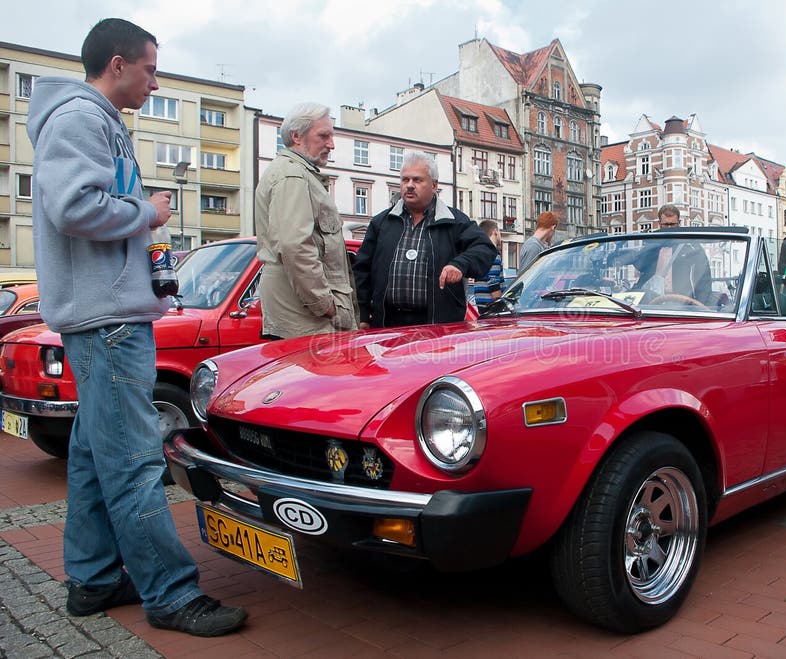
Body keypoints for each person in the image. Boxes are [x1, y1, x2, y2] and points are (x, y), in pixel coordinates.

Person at [25, 18, 247, 637]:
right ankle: (171, 594)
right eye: (150, 69)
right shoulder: (81, 119)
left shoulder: (94, 121)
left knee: (96, 455)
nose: (155, 80)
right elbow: (73, 208)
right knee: (133, 459)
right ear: (117, 64)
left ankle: (93, 580)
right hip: (108, 319)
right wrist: (145, 212)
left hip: (105, 312)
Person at [353, 150, 497, 328]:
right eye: (405, 180)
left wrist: (460, 264)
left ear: (434, 185)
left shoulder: (454, 221)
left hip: (438, 326)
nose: (410, 185)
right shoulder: (382, 223)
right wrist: (363, 315)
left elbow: (485, 248)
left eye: (417, 180)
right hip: (386, 325)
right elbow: (362, 270)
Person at [255, 102, 358, 339]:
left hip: (302, 316)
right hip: (307, 321)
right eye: (323, 136)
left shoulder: (294, 172)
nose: (331, 144)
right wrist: (325, 306)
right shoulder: (293, 175)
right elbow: (295, 247)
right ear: (296, 136)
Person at [640, 204, 712, 301]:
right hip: (652, 300)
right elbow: (643, 272)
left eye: (673, 224)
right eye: (666, 225)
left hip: (683, 302)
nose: (669, 228)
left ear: (679, 223)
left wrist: (702, 307)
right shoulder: (652, 246)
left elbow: (704, 280)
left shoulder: (692, 247)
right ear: (659, 224)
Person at [473, 219, 505, 311]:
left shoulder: (480, 253)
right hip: (493, 308)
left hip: (482, 307)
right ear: (495, 231)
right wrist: (500, 306)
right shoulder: (493, 253)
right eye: (499, 232)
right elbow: (493, 281)